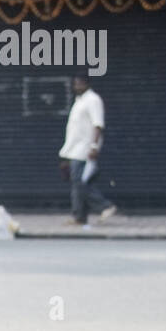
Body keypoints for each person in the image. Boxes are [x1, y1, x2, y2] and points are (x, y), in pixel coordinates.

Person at [59, 74, 117, 227]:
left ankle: (106, 206)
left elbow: (97, 124)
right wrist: (65, 155)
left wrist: (93, 147)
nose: (75, 87)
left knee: (80, 182)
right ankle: (79, 217)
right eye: (75, 84)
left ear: (86, 84)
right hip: (74, 150)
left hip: (85, 149)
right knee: (77, 184)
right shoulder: (79, 101)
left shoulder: (93, 100)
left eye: (79, 84)